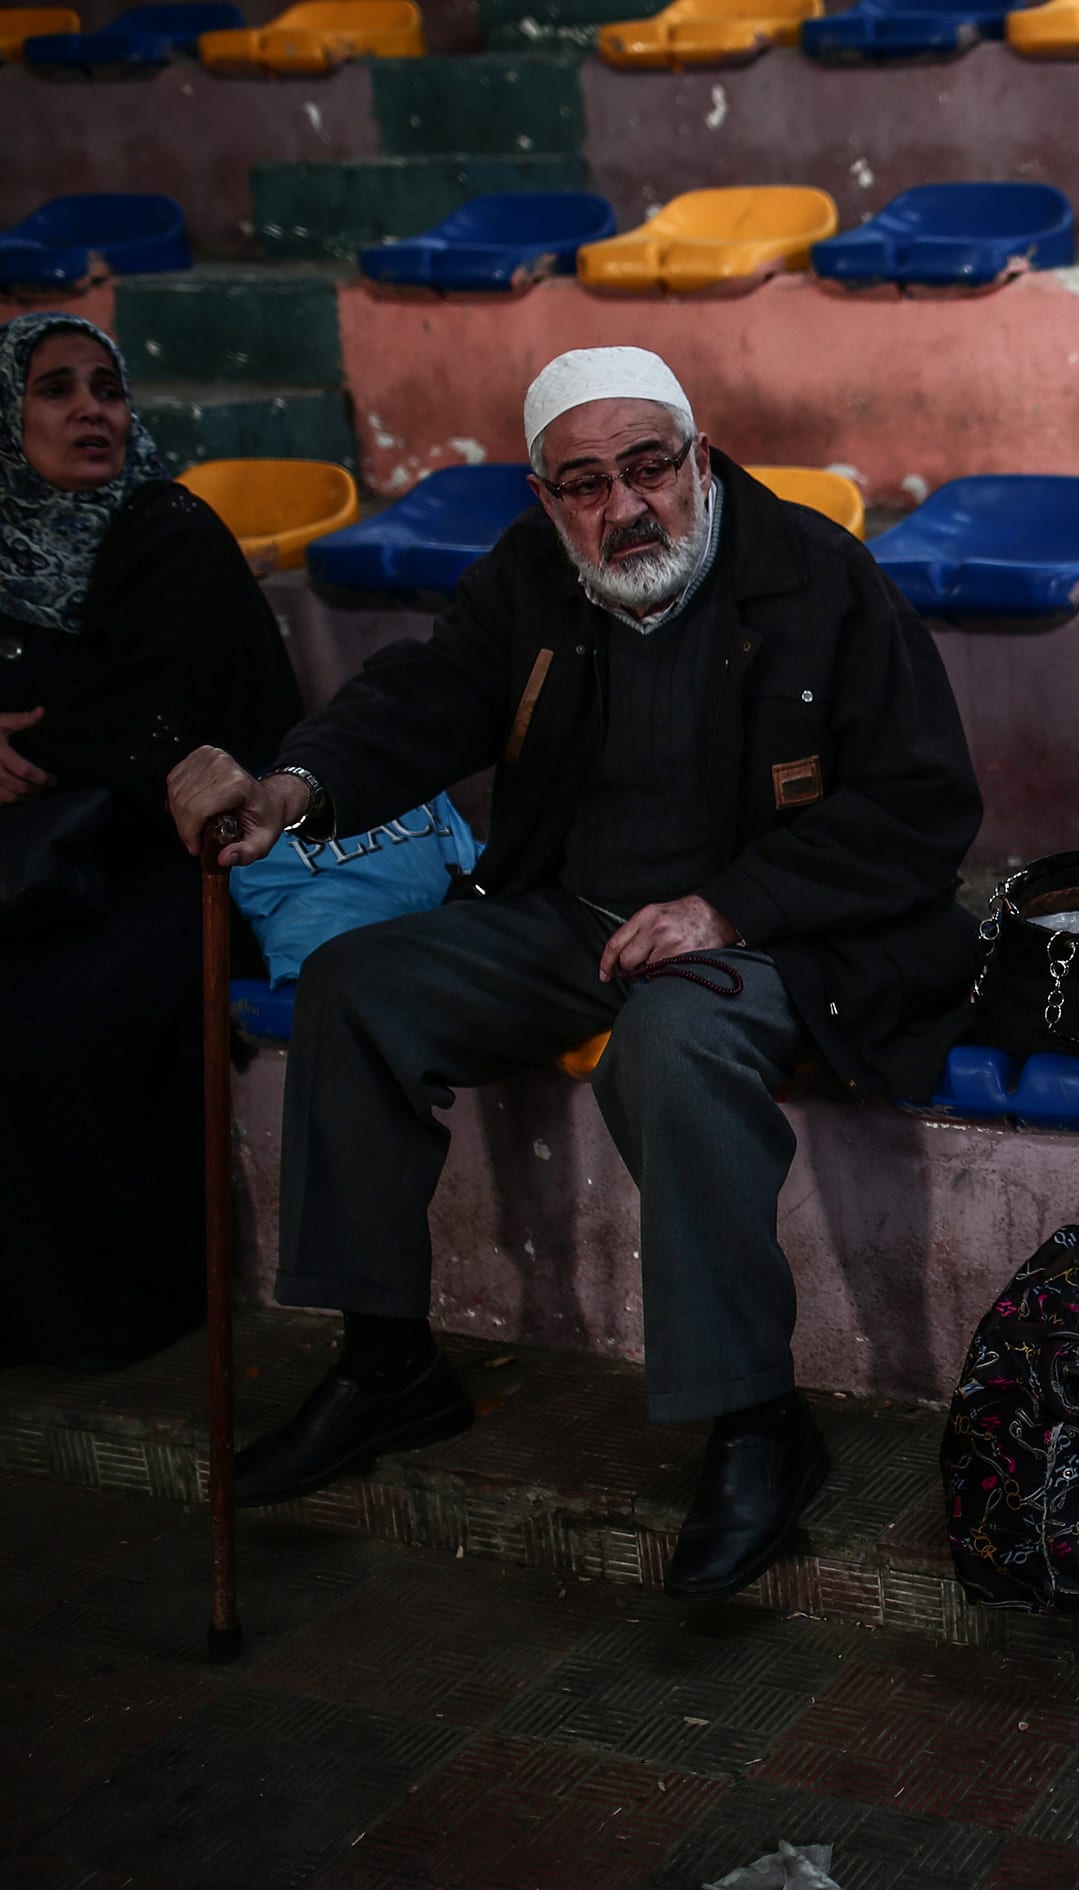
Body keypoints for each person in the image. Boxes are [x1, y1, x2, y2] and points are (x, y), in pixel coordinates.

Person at [165, 347, 984, 1602]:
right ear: (550, 501)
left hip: (784, 935)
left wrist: (726, 906)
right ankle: (389, 1366)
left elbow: (925, 809)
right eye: (586, 484)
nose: (625, 506)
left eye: (649, 467)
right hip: (575, 918)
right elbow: (422, 697)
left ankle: (760, 1424)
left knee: (673, 1044)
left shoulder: (820, 580)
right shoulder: (533, 581)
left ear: (699, 463)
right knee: (358, 985)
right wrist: (292, 788)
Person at [0, 313, 302, 1369]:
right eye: (54, 389)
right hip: (35, 865)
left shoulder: (169, 536)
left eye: (107, 388)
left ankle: (113, 1316)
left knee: (43, 1025)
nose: (92, 409)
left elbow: (152, 736)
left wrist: (41, 748)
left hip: (169, 867)